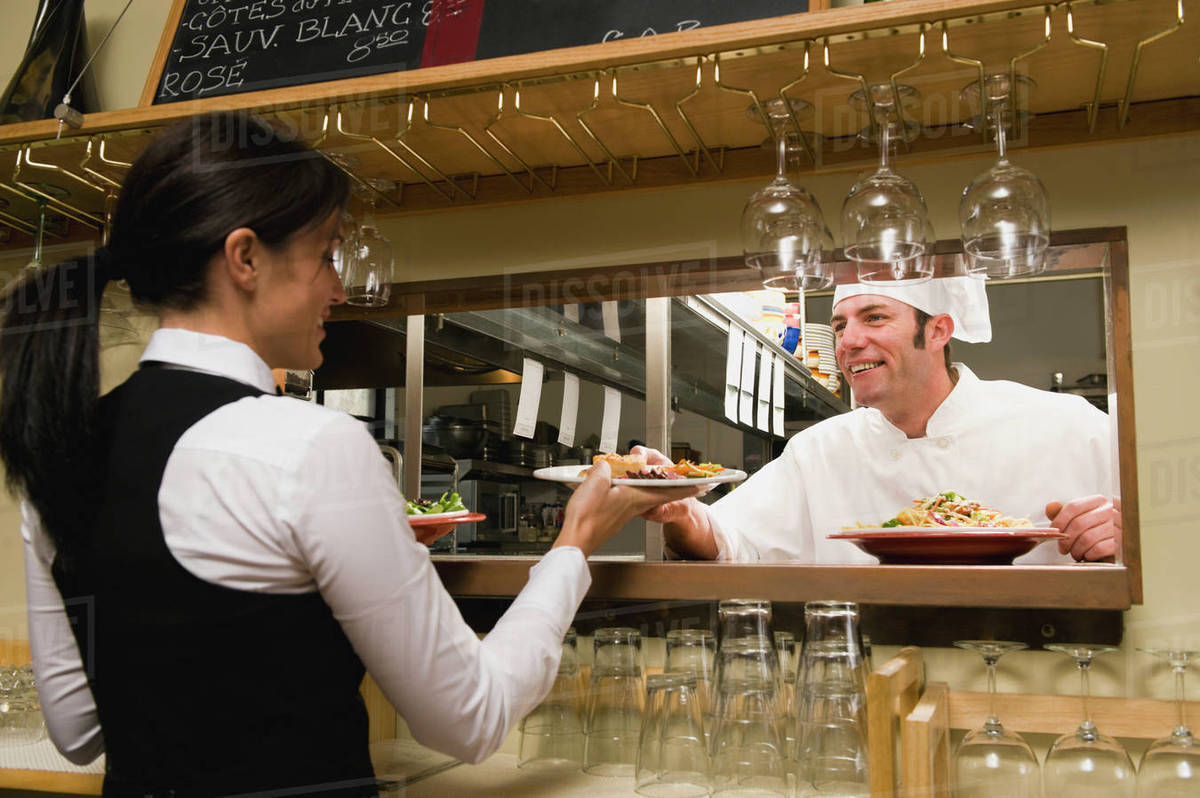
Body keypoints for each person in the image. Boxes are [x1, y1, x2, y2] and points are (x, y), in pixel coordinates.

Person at [0, 113, 700, 798]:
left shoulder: (59, 443)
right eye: (327, 254)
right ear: (244, 258)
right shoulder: (304, 446)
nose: (339, 289)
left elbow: (78, 728)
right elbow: (472, 719)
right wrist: (575, 545)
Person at [639, 276, 1118, 565]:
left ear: (937, 331)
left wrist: (1130, 535)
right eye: (841, 324)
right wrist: (679, 510)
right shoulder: (820, 449)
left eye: (873, 318)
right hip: (862, 677)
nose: (847, 342)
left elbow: (1170, 538)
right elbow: (731, 541)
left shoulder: (1068, 424)